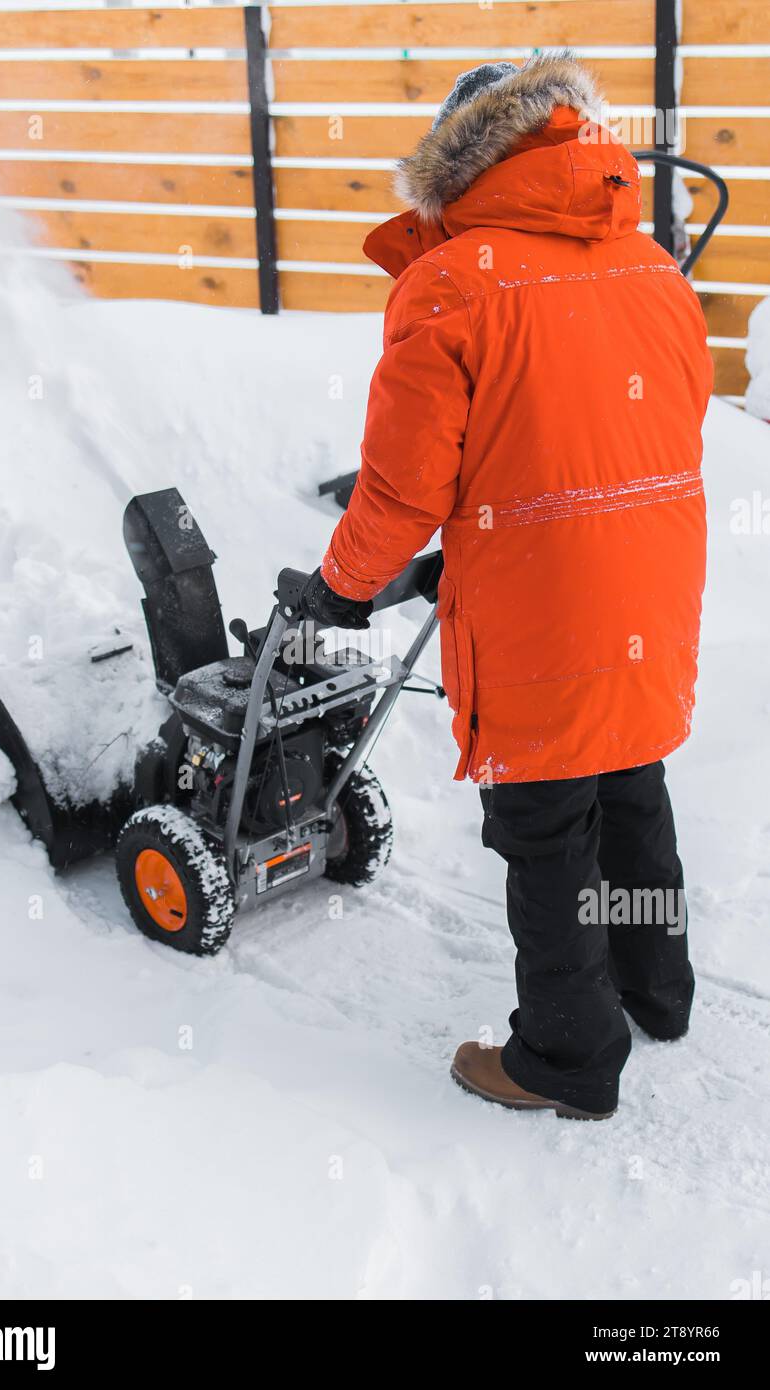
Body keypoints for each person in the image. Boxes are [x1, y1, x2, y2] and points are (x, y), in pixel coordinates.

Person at [300, 51, 713, 1121]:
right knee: (628, 786)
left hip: (540, 612)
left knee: (541, 827)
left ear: (459, 159)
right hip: (648, 585)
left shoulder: (450, 283)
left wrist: (343, 589)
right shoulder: (652, 270)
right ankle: (653, 991)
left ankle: (566, 1057)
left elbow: (399, 488)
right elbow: (629, 431)